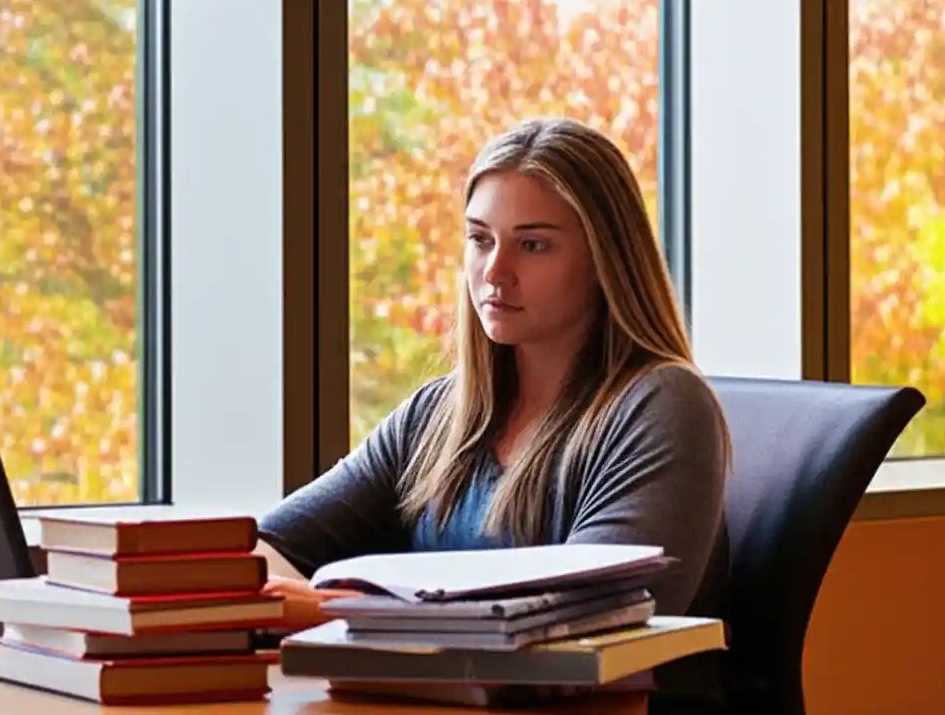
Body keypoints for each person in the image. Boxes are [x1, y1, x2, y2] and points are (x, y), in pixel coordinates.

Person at [256, 117, 731, 712]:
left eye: (533, 245)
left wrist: (330, 612)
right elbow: (263, 550)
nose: (495, 271)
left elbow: (590, 628)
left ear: (605, 260)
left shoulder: (661, 406)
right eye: (480, 239)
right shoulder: (437, 415)